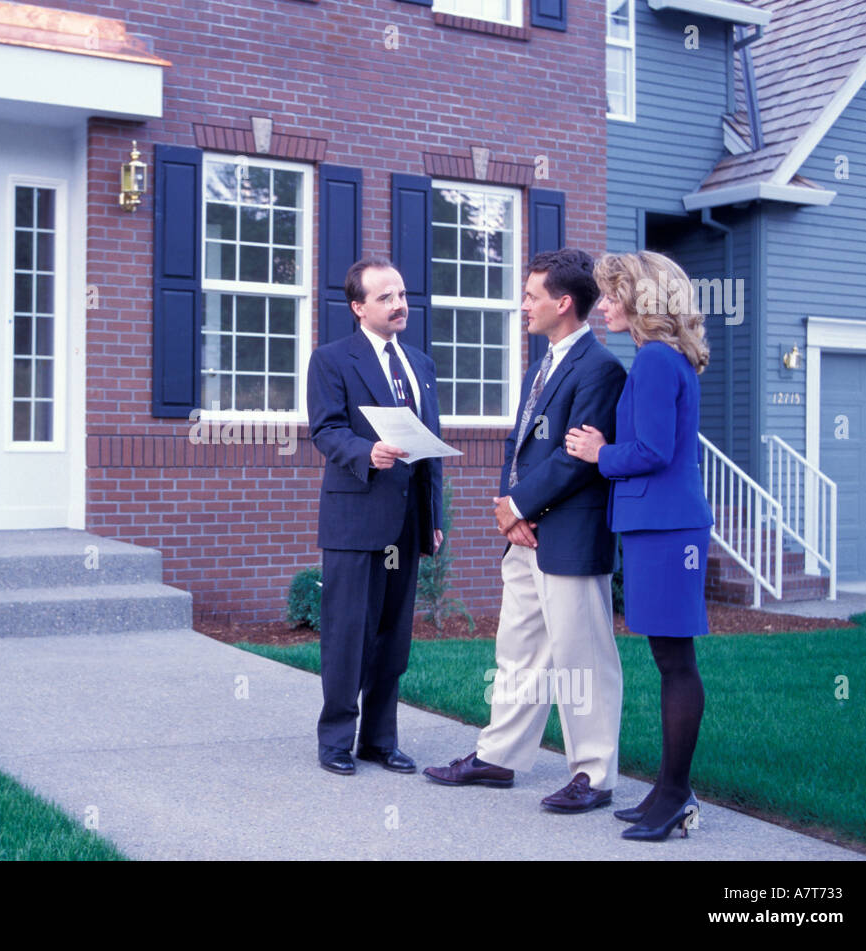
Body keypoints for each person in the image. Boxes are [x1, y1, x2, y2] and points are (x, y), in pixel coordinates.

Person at [424, 248, 627, 813]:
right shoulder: (542, 365)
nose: (523, 305)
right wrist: (512, 512)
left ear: (563, 303)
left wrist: (516, 505)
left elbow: (579, 458)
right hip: (527, 535)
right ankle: (500, 757)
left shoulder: (602, 370)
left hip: (570, 537)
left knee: (582, 659)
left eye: (532, 296)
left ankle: (595, 773)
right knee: (517, 652)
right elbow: (522, 449)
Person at [566, 250, 714, 841]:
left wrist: (597, 453)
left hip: (668, 530)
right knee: (670, 660)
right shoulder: (664, 358)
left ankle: (676, 794)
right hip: (663, 527)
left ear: (641, 297)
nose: (602, 305)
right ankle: (666, 789)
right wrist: (611, 443)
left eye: (611, 295)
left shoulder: (654, 360)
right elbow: (655, 442)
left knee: (676, 663)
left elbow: (652, 452)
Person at [305, 257, 445, 776]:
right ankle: (336, 741)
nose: (399, 304)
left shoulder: (421, 366)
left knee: (393, 638)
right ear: (358, 306)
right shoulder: (332, 360)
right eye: (385, 297)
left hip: (406, 524)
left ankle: (379, 740)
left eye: (402, 294)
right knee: (348, 633)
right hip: (356, 518)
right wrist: (367, 453)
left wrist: (432, 517)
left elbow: (428, 451)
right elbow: (325, 430)